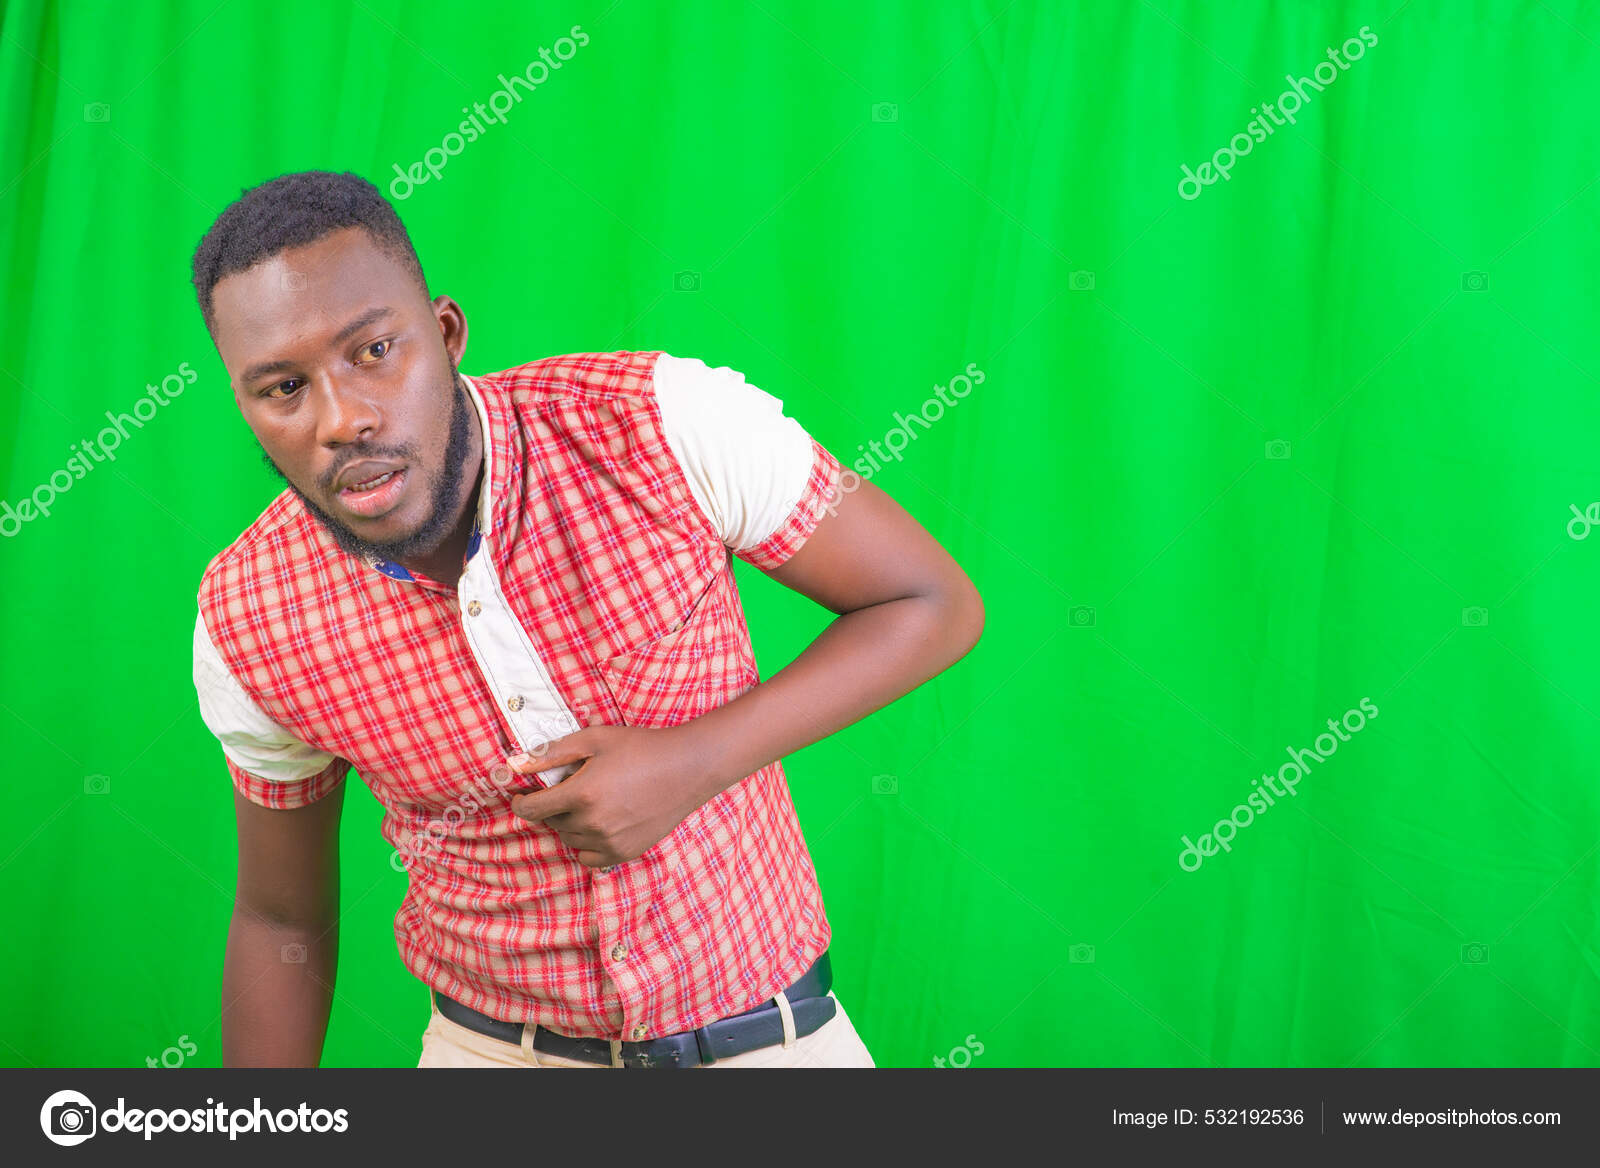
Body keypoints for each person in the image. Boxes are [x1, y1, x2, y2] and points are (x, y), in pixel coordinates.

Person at [189, 170, 984, 1068]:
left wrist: (695, 761)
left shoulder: (660, 423)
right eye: (283, 388)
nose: (343, 419)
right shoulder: (248, 614)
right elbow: (281, 917)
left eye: (374, 351)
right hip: (492, 1055)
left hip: (775, 1038)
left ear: (446, 335)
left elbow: (931, 602)